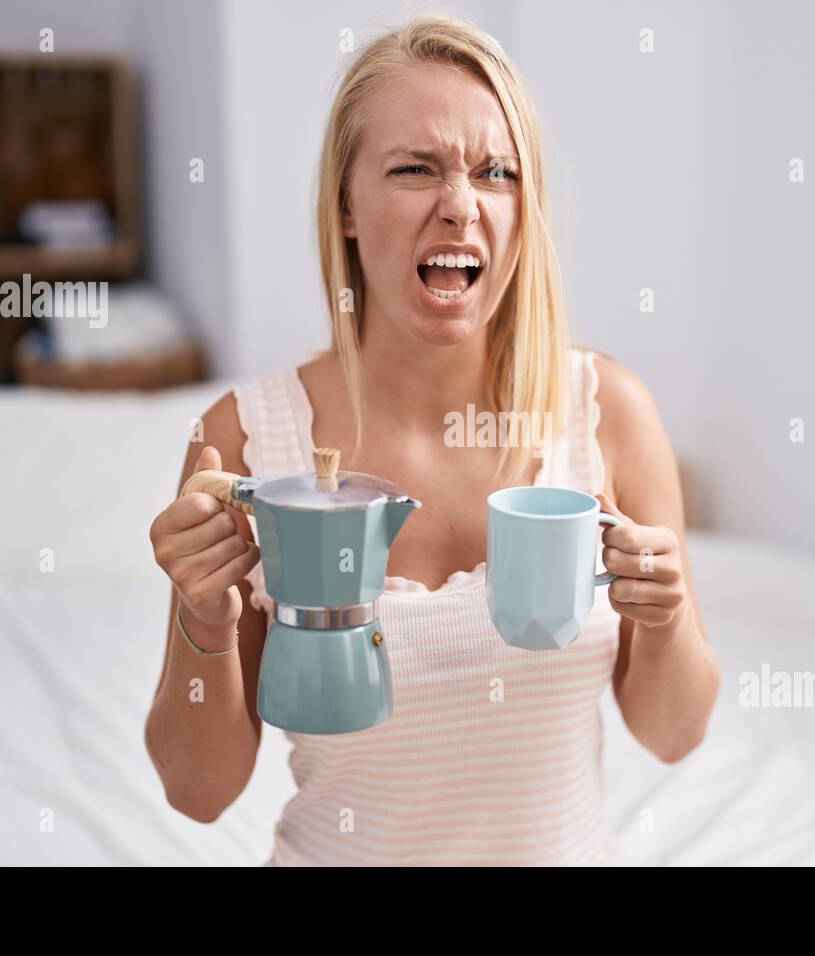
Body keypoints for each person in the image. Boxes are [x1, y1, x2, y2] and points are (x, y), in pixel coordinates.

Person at [145, 13, 719, 866]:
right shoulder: (244, 442)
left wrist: (667, 618)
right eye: (415, 169)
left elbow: (673, 736)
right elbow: (199, 793)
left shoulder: (609, 413)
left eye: (496, 173)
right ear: (345, 204)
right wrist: (204, 616)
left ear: (525, 210)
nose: (460, 204)